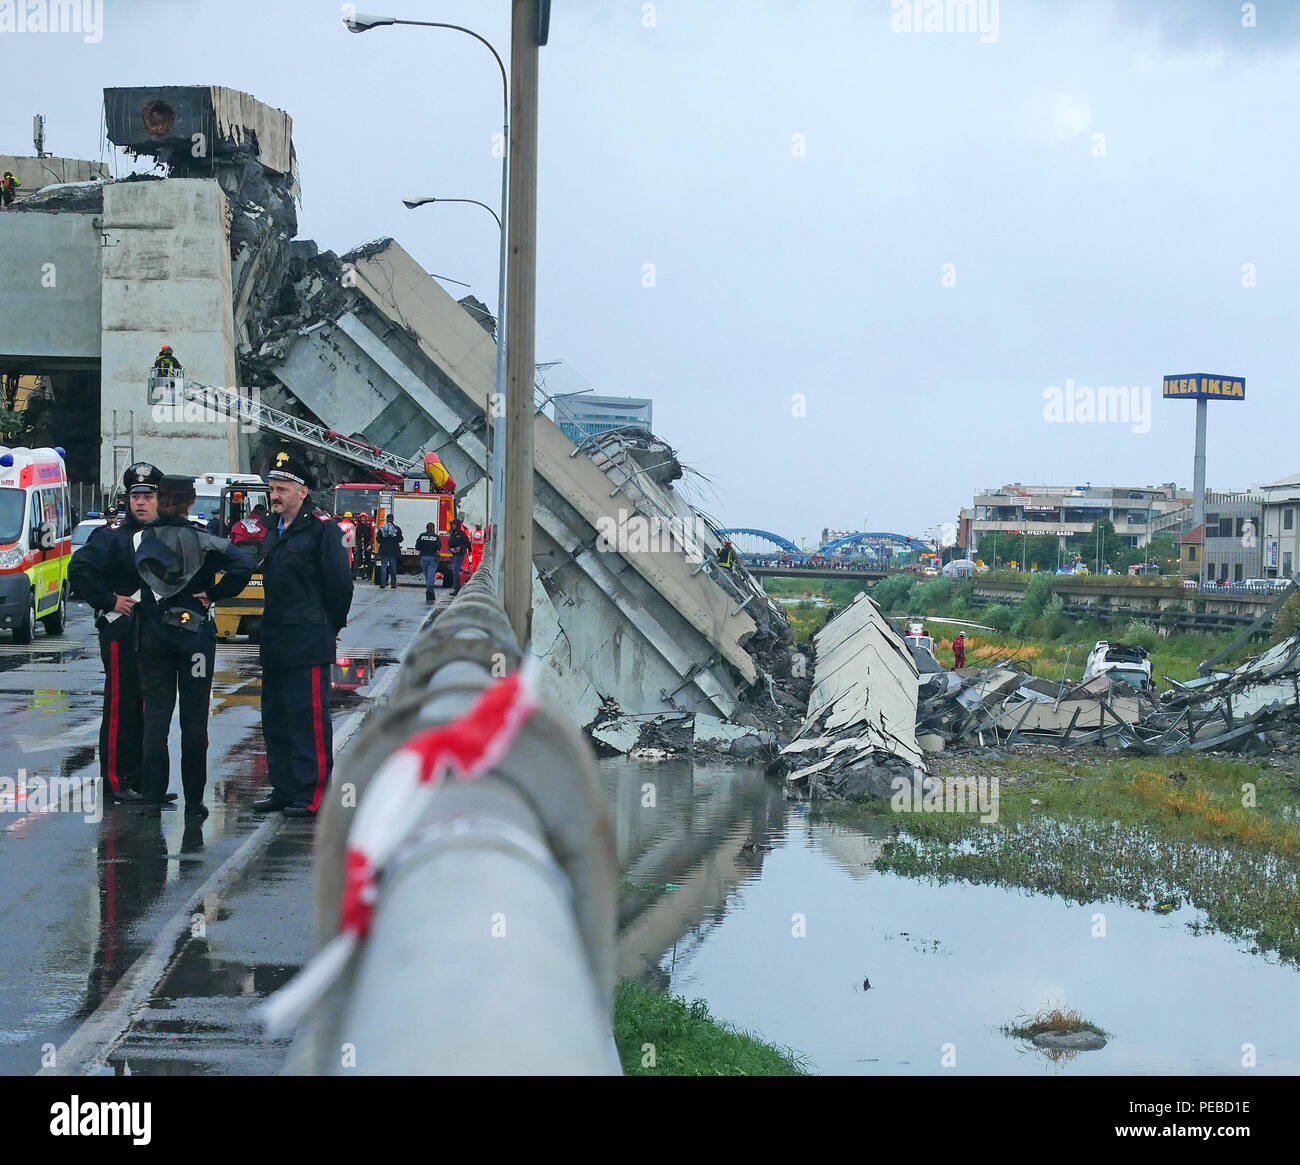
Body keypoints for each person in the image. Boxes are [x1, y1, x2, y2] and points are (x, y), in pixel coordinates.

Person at [133, 475, 254, 816]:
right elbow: (244, 563)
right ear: (190, 502)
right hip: (195, 636)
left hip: (152, 634)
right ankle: (194, 800)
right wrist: (214, 593)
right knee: (194, 718)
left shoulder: (141, 537)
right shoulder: (203, 539)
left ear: (159, 500)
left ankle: (152, 795)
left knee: (155, 717)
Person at [255, 450, 353, 817]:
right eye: (272, 490)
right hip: (276, 639)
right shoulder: (272, 528)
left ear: (302, 492)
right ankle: (283, 787)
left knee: (307, 718)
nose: (275, 496)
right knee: (276, 718)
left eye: (281, 489)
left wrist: (331, 626)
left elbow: (340, 584)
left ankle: (312, 794)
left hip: (308, 640)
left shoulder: (322, 530)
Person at [68, 463, 167, 806]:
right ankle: (114, 781)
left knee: (147, 709)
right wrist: (109, 599)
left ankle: (141, 780)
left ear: (159, 499)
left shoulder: (166, 536)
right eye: (136, 496)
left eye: (148, 496)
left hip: (156, 633)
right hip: (121, 631)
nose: (141, 502)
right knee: (121, 706)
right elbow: (79, 570)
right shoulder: (110, 538)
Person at [415, 521, 442, 602]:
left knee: (427, 576)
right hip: (433, 558)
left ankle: (430, 593)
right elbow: (439, 547)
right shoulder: (436, 537)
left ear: (426, 528)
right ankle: (429, 592)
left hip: (423, 558)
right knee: (431, 575)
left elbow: (417, 547)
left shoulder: (422, 536)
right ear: (433, 528)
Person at [375, 515, 403, 590]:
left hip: (384, 551)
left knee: (383, 567)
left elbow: (378, 539)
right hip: (393, 551)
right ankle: (393, 584)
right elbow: (400, 539)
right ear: (393, 519)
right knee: (393, 568)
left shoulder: (382, 528)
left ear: (386, 519)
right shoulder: (396, 528)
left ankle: (382, 584)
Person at [447, 518, 471, 597]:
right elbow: (450, 543)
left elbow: (467, 543)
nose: (453, 526)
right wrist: (450, 549)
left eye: (454, 524)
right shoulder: (452, 534)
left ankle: (457, 588)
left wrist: (460, 548)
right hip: (454, 554)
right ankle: (456, 586)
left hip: (460, 553)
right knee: (454, 570)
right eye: (452, 524)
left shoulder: (461, 534)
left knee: (456, 571)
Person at [354, 510, 375, 579]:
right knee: (359, 560)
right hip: (360, 545)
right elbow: (356, 536)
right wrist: (356, 545)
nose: (363, 519)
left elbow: (372, 535)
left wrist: (370, 544)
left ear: (366, 519)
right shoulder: (358, 526)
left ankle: (369, 575)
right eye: (361, 518)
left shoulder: (369, 526)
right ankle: (362, 574)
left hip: (367, 545)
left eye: (364, 518)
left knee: (368, 560)